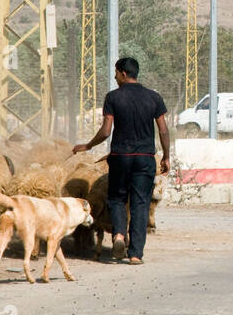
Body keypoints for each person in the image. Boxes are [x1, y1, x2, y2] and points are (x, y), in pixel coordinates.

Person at [73, 57, 170, 265]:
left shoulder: (113, 97)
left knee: (117, 198)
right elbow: (163, 129)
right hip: (145, 158)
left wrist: (87, 146)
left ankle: (118, 235)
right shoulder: (154, 97)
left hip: (120, 157)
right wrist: (167, 156)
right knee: (140, 204)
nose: (115, 77)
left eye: (116, 73)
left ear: (123, 73)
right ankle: (135, 254)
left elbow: (106, 131)